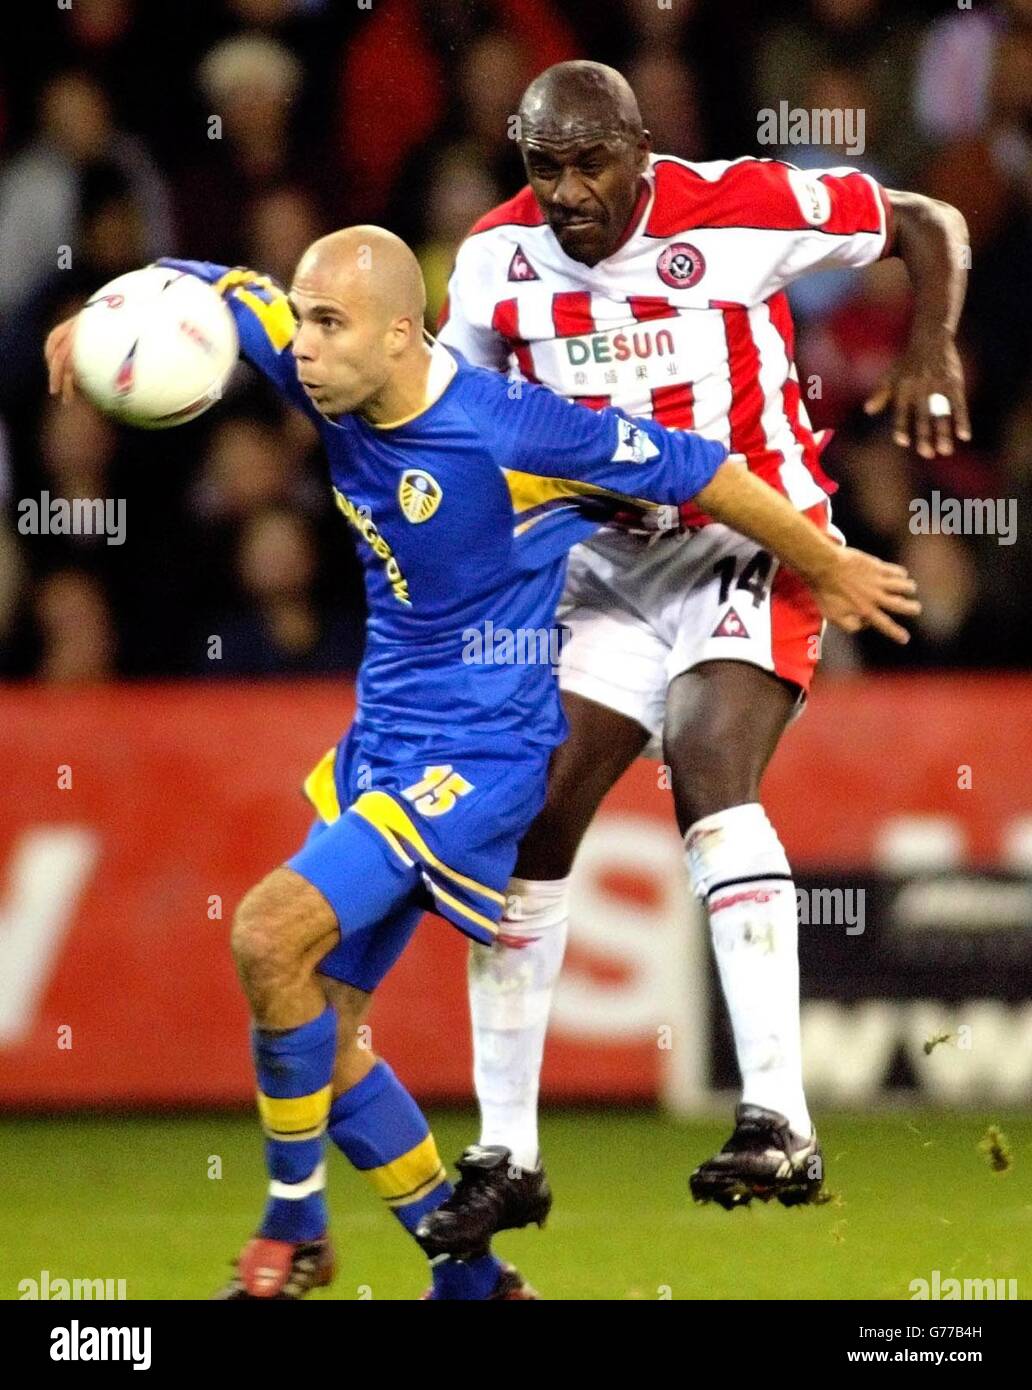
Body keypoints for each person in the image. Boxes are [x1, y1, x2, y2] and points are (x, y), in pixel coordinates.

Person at [45, 226, 918, 1298]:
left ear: (403, 334)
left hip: (480, 760)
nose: (303, 347)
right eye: (305, 323)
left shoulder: (512, 430)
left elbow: (705, 469)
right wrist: (106, 313)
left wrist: (825, 563)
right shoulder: (329, 376)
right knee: (325, 1014)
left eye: (329, 324)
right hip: (382, 747)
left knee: (267, 930)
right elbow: (225, 290)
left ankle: (294, 1227)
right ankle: (473, 1282)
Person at [420, 59, 969, 1252]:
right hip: (604, 571)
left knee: (711, 762)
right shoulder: (490, 263)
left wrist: (930, 347)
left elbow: (928, 220)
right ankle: (508, 1151)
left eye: (590, 161)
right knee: (532, 821)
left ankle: (779, 1114)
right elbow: (453, 416)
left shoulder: (738, 208)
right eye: (543, 166)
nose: (567, 191)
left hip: (751, 540)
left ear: (644, 147)